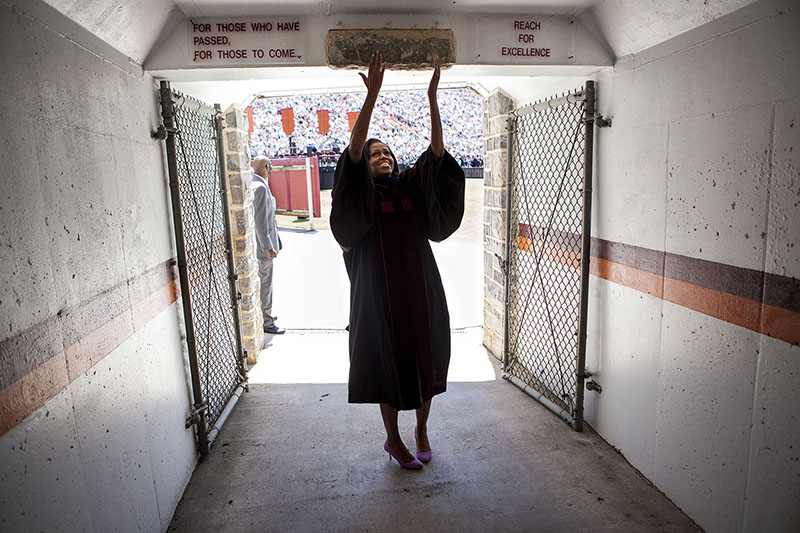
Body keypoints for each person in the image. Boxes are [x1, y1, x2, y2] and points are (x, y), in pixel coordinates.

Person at [330, 52, 465, 470]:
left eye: (386, 152)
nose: (382, 157)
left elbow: (437, 160)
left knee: (425, 364)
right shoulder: (360, 199)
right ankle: (393, 439)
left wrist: (433, 101)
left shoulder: (407, 190)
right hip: (379, 301)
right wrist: (371, 99)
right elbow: (352, 157)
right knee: (387, 369)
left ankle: (422, 429)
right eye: (374, 155)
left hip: (420, 293)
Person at [251, 155, 284, 335]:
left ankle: (265, 315)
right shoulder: (261, 188)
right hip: (263, 248)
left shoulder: (255, 184)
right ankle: (267, 321)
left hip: (260, 246)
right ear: (267, 167)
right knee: (266, 285)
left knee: (263, 283)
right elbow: (261, 222)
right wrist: (268, 246)